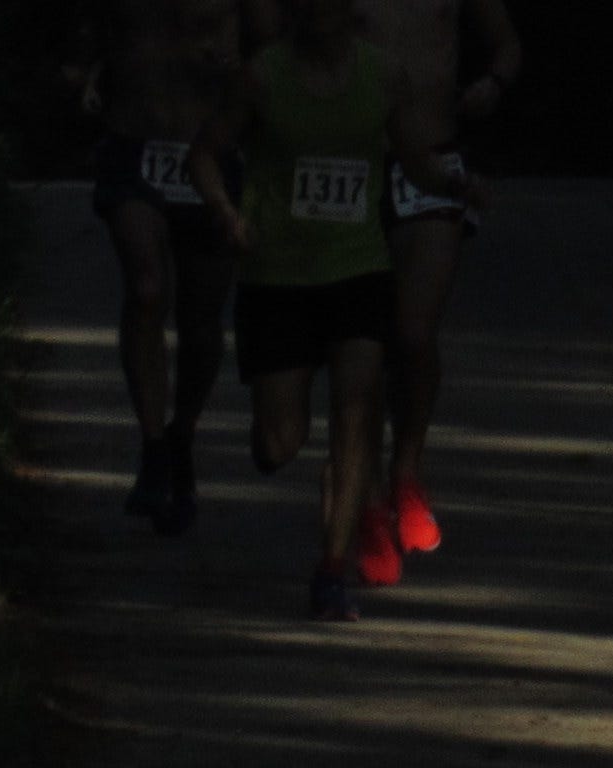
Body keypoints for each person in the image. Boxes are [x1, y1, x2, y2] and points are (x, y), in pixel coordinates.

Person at [188, 0, 476, 619]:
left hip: (357, 269)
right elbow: (204, 153)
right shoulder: (264, 77)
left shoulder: (382, 75)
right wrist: (224, 210)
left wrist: (454, 185)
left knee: (355, 405)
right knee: (280, 444)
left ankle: (331, 570)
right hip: (278, 279)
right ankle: (279, 445)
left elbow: (413, 156)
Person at [254, 0, 525, 561]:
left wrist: (493, 84)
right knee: (364, 349)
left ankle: (407, 472)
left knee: (413, 332)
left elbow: (507, 44)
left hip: (431, 159)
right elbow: (274, 36)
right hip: (352, 167)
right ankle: (367, 497)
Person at [76, 0, 248, 534]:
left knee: (201, 321)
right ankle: (153, 447)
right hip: (135, 146)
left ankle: (182, 434)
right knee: (148, 288)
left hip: (209, 153)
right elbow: (85, 33)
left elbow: (279, 47)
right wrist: (85, 73)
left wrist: (235, 66)